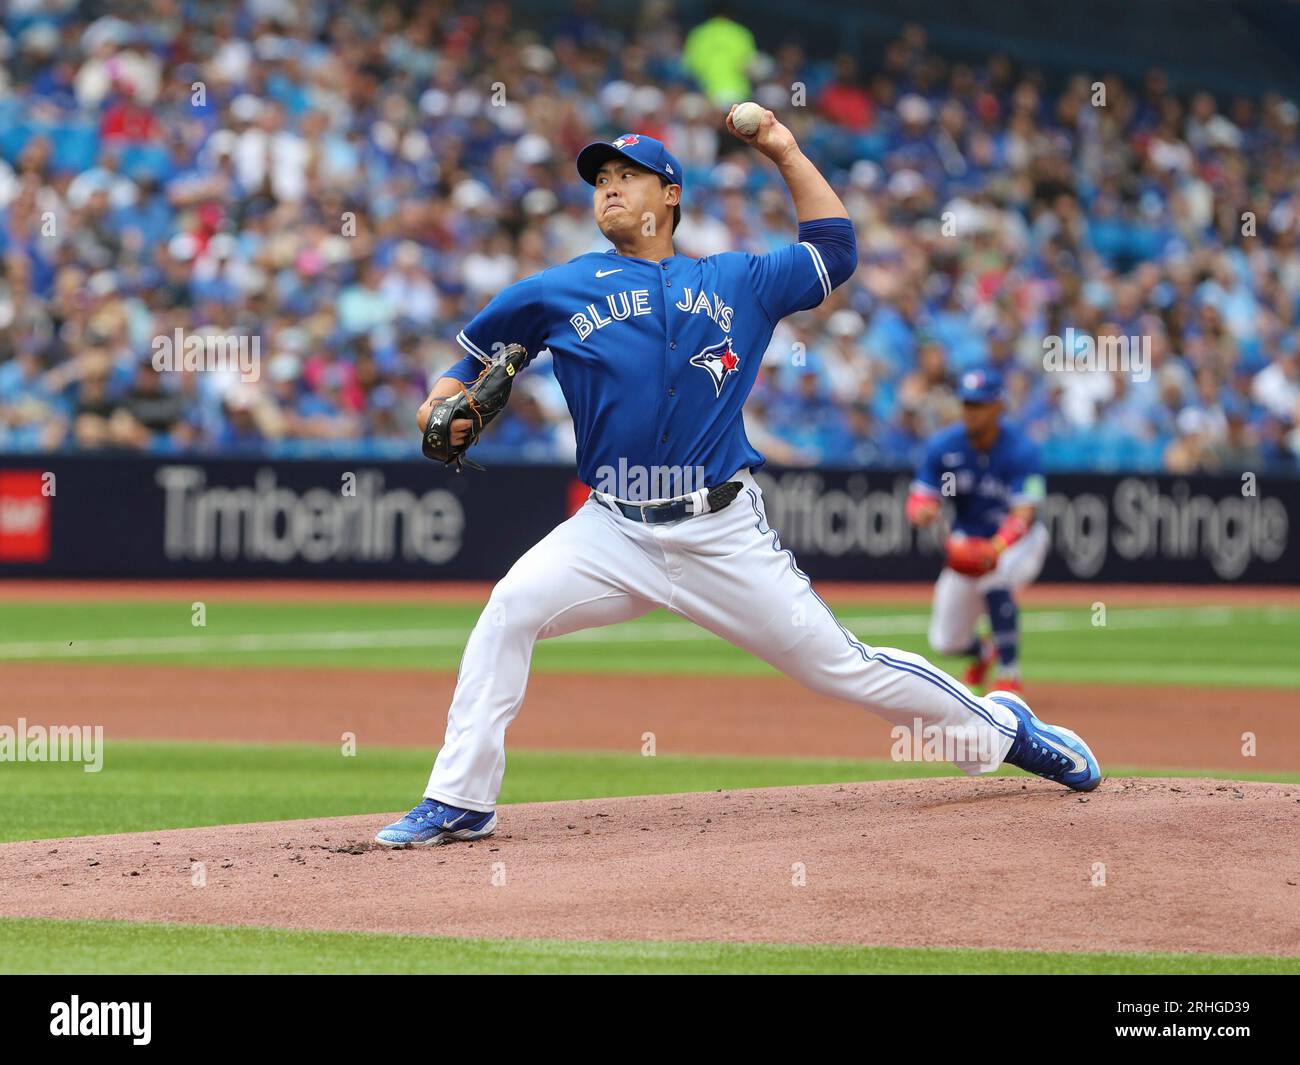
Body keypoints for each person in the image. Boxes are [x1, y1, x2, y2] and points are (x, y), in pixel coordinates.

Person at [377, 112, 1099, 848]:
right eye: (600, 179)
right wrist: (437, 405)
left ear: (670, 195)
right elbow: (465, 361)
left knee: (840, 667)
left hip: (720, 528)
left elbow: (835, 248)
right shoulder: (559, 289)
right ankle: (461, 798)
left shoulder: (737, 278)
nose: (609, 189)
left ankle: (1004, 729)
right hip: (611, 528)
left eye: (627, 176)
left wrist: (782, 149)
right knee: (510, 609)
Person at [905, 367, 1049, 694]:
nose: (971, 411)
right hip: (967, 539)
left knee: (992, 572)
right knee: (945, 641)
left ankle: (1009, 673)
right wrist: (920, 511)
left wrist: (997, 547)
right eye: (967, 404)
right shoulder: (944, 446)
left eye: (980, 405)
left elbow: (1025, 513)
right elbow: (919, 497)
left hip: (1019, 542)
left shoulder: (1022, 449)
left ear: (999, 406)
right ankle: (985, 651)